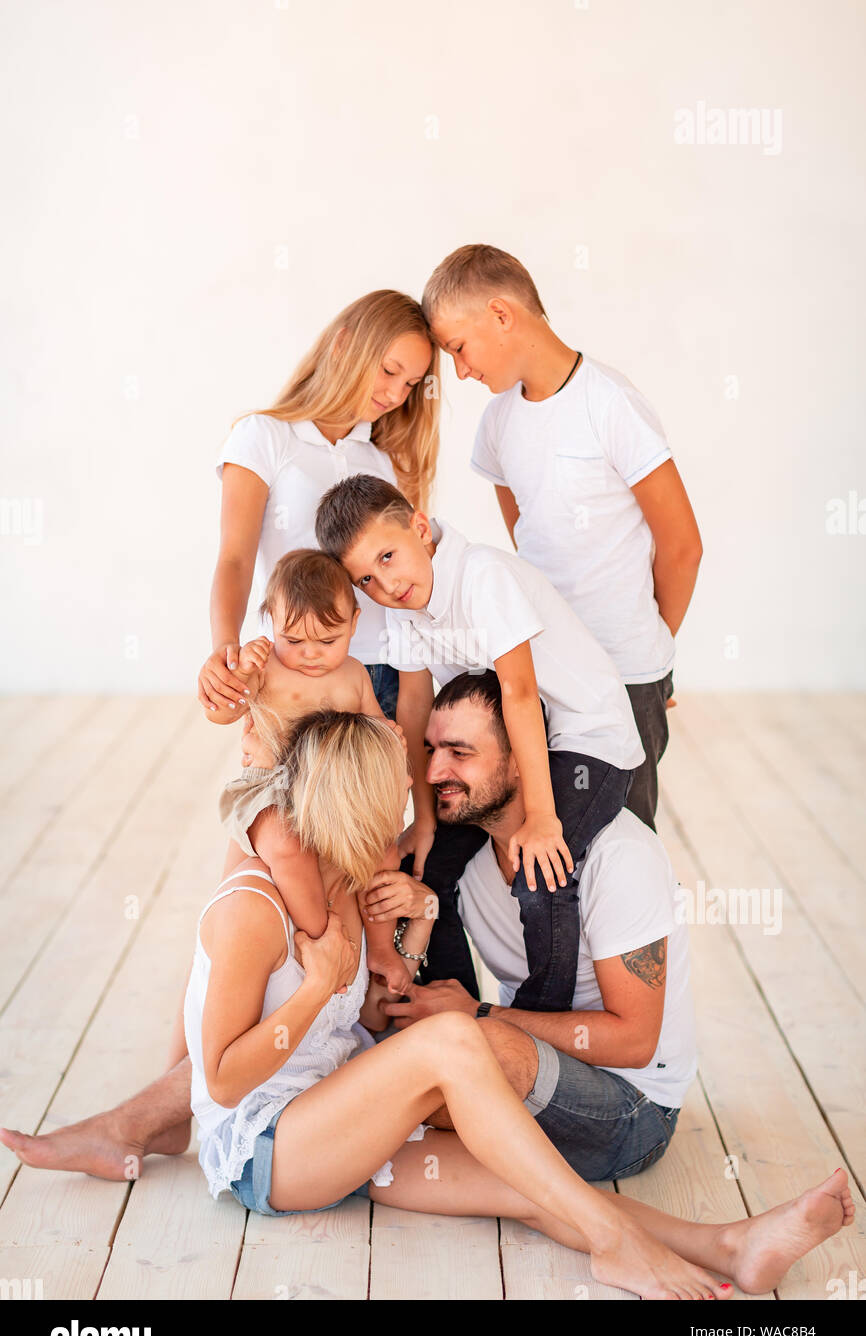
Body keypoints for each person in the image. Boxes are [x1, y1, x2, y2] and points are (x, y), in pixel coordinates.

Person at [2, 711, 853, 1300]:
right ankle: (616, 1247)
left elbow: (369, 1021)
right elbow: (219, 1082)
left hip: (333, 1128)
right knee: (454, 1044)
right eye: (394, 803)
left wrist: (415, 929)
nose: (409, 818)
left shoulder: (341, 887)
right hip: (266, 1152)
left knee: (524, 1183)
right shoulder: (249, 911)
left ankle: (730, 1248)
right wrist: (308, 989)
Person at [315, 473, 643, 1011]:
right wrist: (423, 820)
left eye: (389, 557)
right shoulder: (404, 612)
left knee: (539, 868)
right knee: (428, 869)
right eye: (366, 580)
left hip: (584, 740)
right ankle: (454, 1016)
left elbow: (518, 691)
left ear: (420, 527)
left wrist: (540, 816)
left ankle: (534, 1028)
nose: (385, 585)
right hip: (511, 747)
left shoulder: (481, 575)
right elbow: (416, 709)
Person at [367, 670, 693, 1182]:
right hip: (533, 1070)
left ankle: (339, 1133)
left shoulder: (618, 853)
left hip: (631, 1107)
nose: (433, 773)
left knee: (471, 1047)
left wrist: (479, 1013)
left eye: (459, 752)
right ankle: (350, 1132)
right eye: (431, 751)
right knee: (403, 1038)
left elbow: (634, 1041)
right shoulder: (465, 856)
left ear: (522, 759)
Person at [421, 244, 703, 831]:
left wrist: (651, 654)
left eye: (458, 348)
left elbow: (681, 545)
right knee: (548, 841)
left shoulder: (611, 404)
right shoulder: (499, 424)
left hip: (626, 670)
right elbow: (525, 538)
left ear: (501, 314)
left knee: (621, 840)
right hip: (545, 671)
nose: (462, 370)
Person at [197, 288, 439, 725]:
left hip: (383, 673)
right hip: (292, 667)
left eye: (410, 383)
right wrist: (225, 647)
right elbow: (235, 558)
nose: (396, 393)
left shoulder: (382, 460)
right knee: (286, 792)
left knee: (375, 795)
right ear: (344, 344)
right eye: (388, 370)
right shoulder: (265, 437)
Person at [207, 546, 411, 992]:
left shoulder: (355, 675)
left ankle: (379, 948)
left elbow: (377, 726)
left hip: (338, 792)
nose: (311, 655)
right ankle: (321, 937)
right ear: (271, 625)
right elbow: (224, 713)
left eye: (327, 641)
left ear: (354, 624)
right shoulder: (267, 669)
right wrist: (241, 673)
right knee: (285, 844)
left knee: (384, 852)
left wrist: (391, 739)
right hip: (272, 790)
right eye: (294, 640)